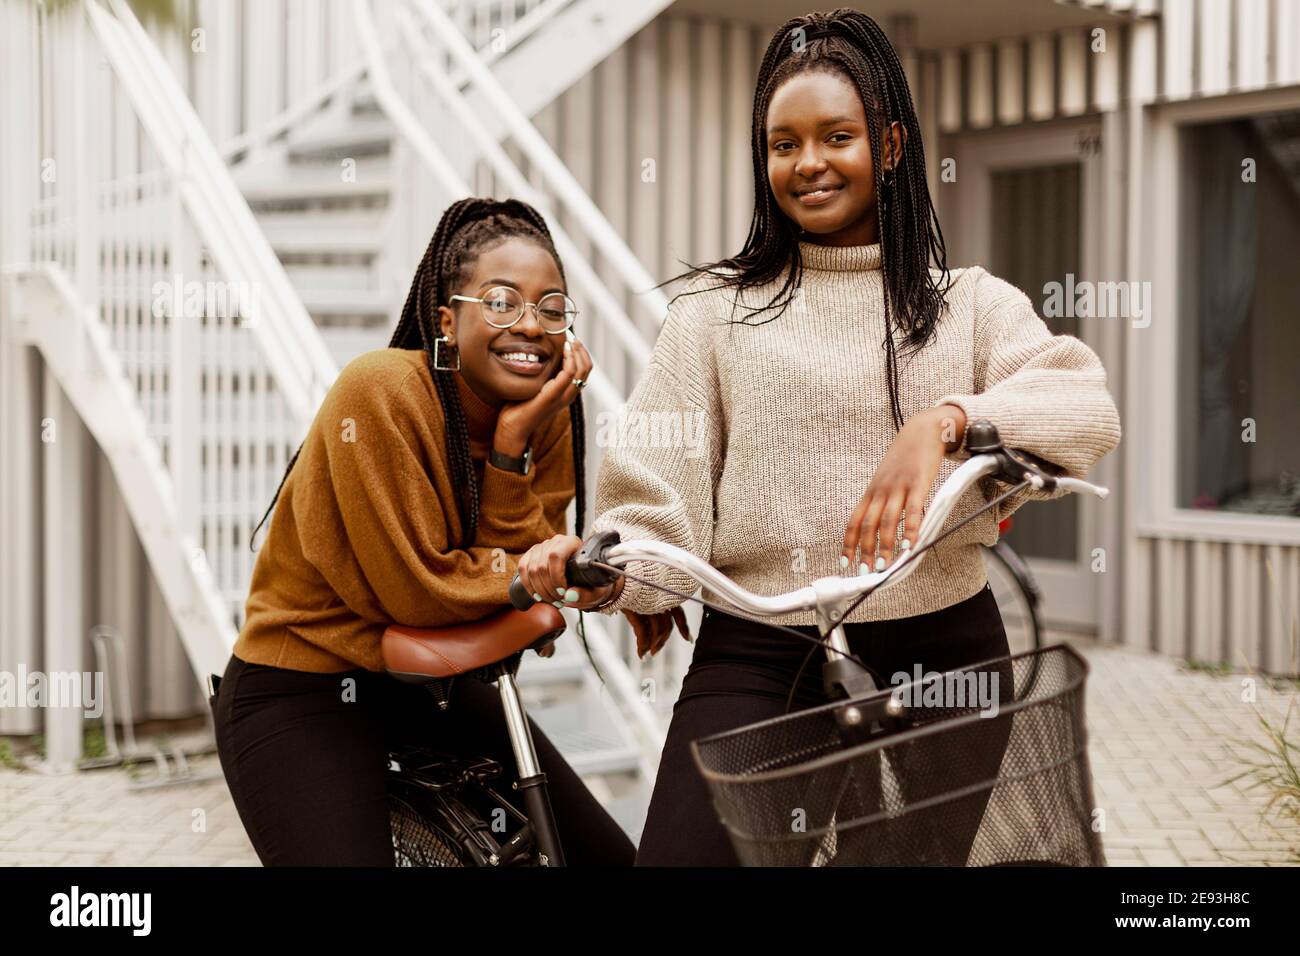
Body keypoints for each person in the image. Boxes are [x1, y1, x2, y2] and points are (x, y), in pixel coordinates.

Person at [517, 9, 1122, 866]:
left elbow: (1085, 405)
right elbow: (653, 500)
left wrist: (944, 424)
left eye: (836, 136)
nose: (806, 164)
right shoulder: (713, 315)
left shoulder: (972, 304)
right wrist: (614, 571)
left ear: (892, 148)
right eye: (782, 143)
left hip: (944, 647)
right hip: (763, 650)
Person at [210, 197, 635, 866]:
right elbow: (422, 590)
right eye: (501, 302)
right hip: (308, 681)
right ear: (446, 318)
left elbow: (519, 561)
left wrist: (509, 447)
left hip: (433, 684)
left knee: (603, 858)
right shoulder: (378, 392)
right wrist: (523, 575)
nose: (530, 326)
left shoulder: (544, 410)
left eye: (552, 308)